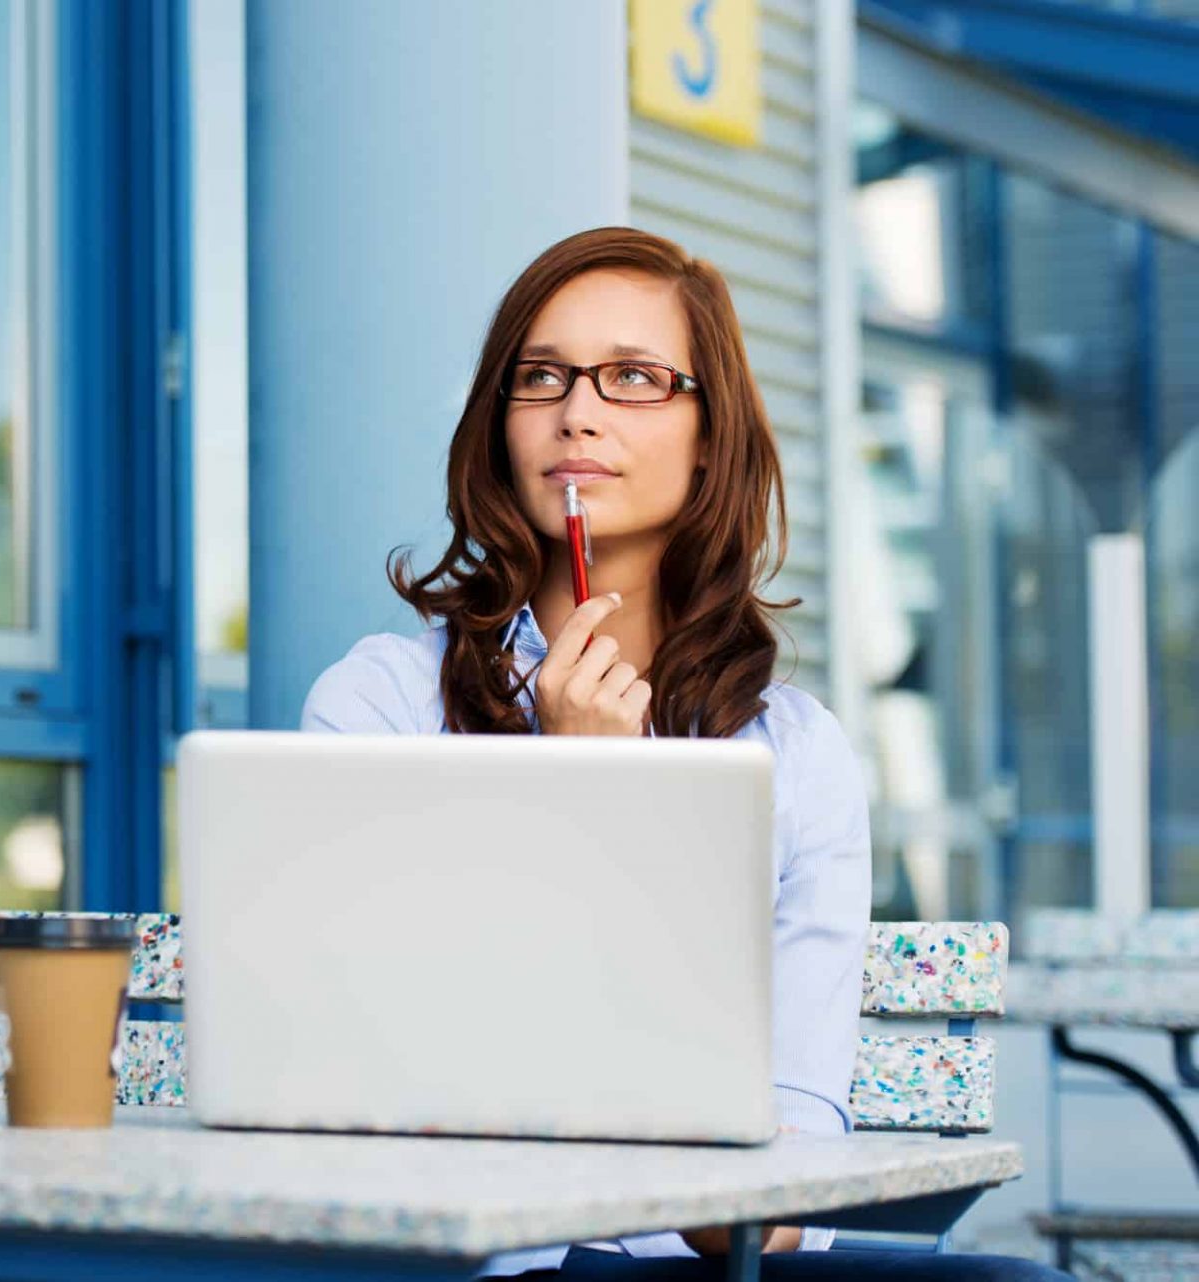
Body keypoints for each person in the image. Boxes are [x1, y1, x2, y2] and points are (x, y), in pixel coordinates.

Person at [300, 227, 1066, 1281]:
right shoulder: (379, 705)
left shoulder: (793, 759)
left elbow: (773, 1204)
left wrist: (618, 826)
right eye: (542, 377)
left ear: (711, 437)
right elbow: (376, 1088)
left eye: (633, 378)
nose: (579, 410)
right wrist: (566, 814)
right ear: (499, 426)